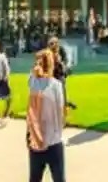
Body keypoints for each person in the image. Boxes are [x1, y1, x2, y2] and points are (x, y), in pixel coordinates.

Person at [27, 49, 67, 182]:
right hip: (53, 140)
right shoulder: (56, 86)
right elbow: (60, 112)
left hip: (36, 140)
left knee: (34, 178)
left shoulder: (33, 84)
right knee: (59, 178)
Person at [47, 37, 77, 110]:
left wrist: (64, 66)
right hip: (53, 74)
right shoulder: (48, 52)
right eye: (51, 44)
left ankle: (64, 103)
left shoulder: (60, 50)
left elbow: (65, 60)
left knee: (62, 88)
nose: (53, 45)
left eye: (54, 43)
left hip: (59, 73)